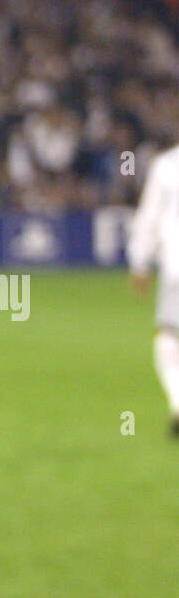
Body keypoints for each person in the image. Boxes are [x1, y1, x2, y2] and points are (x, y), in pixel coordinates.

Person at [129, 142, 179, 436]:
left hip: (176, 266)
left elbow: (149, 215)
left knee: (169, 334)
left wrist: (139, 261)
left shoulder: (167, 165)